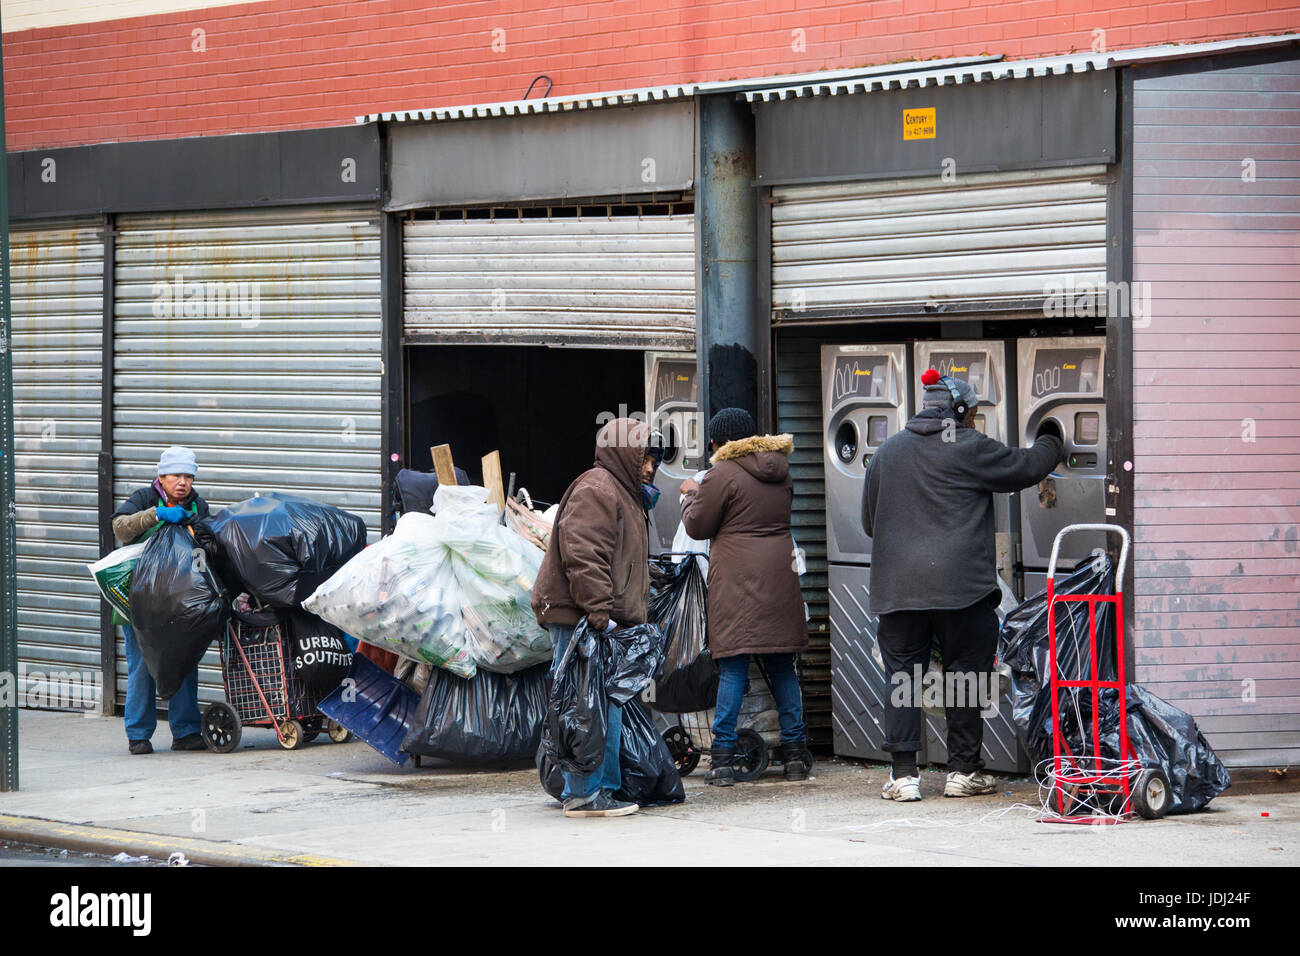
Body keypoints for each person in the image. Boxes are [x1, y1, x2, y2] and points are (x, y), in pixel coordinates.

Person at [863, 369, 1064, 801]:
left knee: (904, 677)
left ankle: (903, 778)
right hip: (962, 589)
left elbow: (869, 522)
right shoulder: (966, 445)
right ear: (957, 411)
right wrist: (1052, 437)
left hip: (899, 589)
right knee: (963, 676)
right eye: (971, 413)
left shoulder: (887, 452)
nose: (972, 420)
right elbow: (1026, 466)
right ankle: (962, 772)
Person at [531, 417, 664, 818]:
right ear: (624, 454)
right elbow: (584, 556)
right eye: (644, 457)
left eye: (654, 459)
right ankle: (583, 794)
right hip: (582, 619)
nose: (650, 467)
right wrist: (599, 612)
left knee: (605, 705)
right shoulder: (597, 489)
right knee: (583, 706)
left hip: (602, 619)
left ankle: (598, 789)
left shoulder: (625, 494)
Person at [681, 408, 810, 786]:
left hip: (737, 583)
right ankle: (796, 756)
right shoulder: (781, 470)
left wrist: (690, 496)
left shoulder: (720, 473)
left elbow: (698, 524)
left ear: (720, 442)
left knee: (733, 667)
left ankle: (722, 759)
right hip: (779, 579)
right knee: (782, 667)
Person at [111, 446, 211, 755]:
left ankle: (186, 732)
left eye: (188, 476)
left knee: (184, 660)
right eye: (176, 475)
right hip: (140, 602)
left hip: (180, 602)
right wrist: (156, 514)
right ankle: (138, 735)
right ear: (161, 476)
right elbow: (120, 527)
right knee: (142, 666)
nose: (183, 482)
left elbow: (206, 545)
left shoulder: (197, 504)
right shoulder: (143, 497)